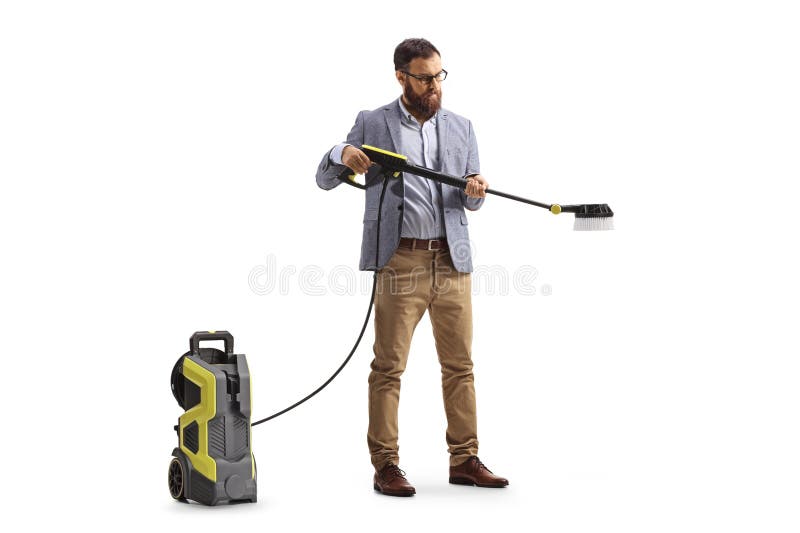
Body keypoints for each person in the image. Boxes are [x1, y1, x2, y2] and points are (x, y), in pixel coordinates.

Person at [316, 38, 508, 496]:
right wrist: (342, 154)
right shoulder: (373, 122)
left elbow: (469, 200)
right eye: (424, 78)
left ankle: (464, 459)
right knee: (388, 367)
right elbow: (324, 179)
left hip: (452, 261)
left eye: (439, 75)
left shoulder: (461, 126)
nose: (434, 85)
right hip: (400, 260)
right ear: (401, 76)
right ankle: (386, 465)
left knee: (460, 366)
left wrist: (476, 189)